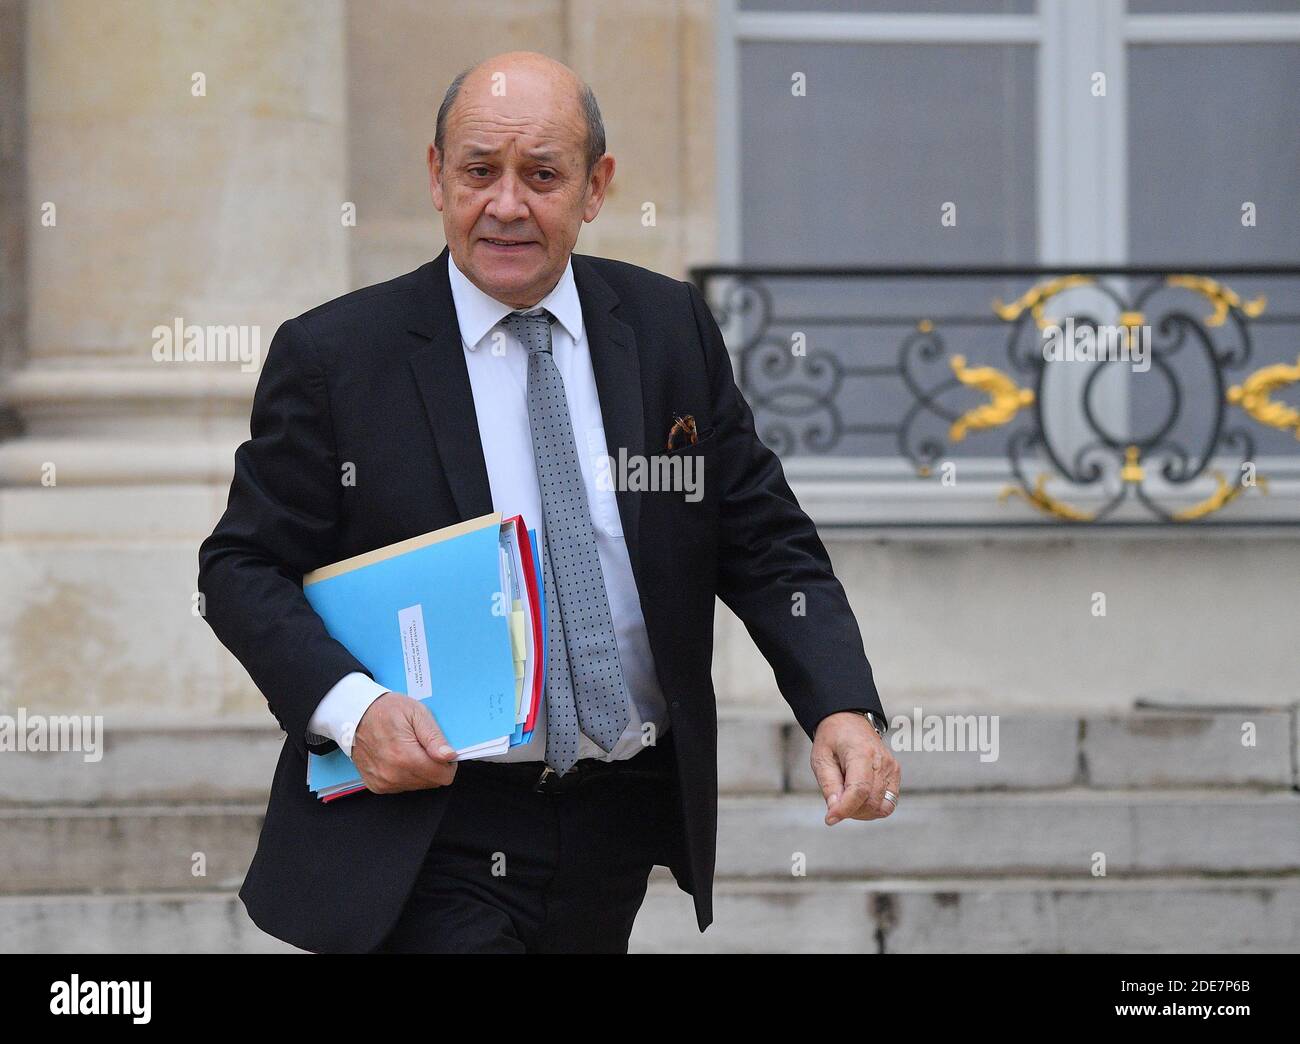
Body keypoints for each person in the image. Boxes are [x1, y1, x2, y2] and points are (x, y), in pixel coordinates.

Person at [198, 50, 899, 954]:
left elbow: (763, 541)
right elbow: (240, 569)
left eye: (542, 175)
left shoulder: (667, 330)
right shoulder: (338, 357)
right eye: (479, 172)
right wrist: (351, 707)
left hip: (613, 823)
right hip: (430, 828)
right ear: (436, 176)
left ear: (596, 186)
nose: (506, 205)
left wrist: (840, 704)